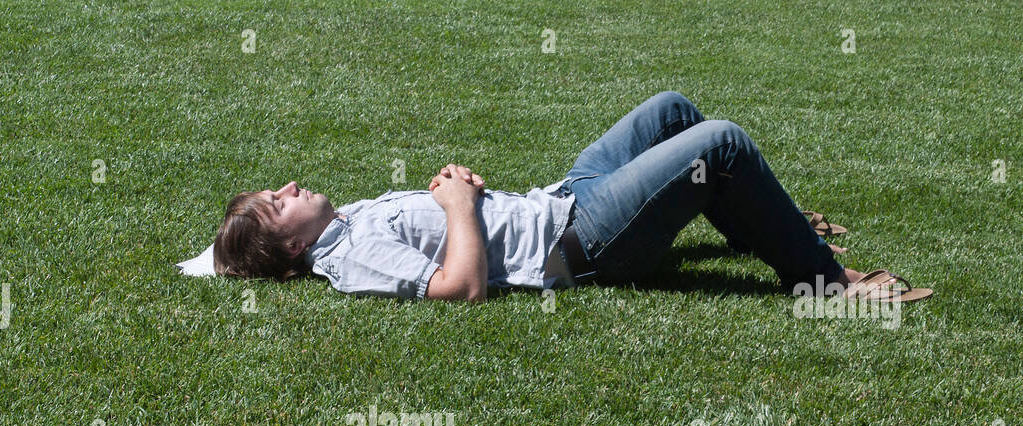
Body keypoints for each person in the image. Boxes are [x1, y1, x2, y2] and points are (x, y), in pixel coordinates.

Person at [210, 91, 930, 304]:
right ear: (295, 247)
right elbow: (458, 289)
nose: (290, 187)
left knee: (672, 110)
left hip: (564, 197)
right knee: (721, 143)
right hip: (584, 242)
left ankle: (759, 222)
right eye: (280, 203)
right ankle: (822, 281)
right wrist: (459, 205)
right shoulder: (349, 256)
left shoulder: (341, 222)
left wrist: (450, 189)